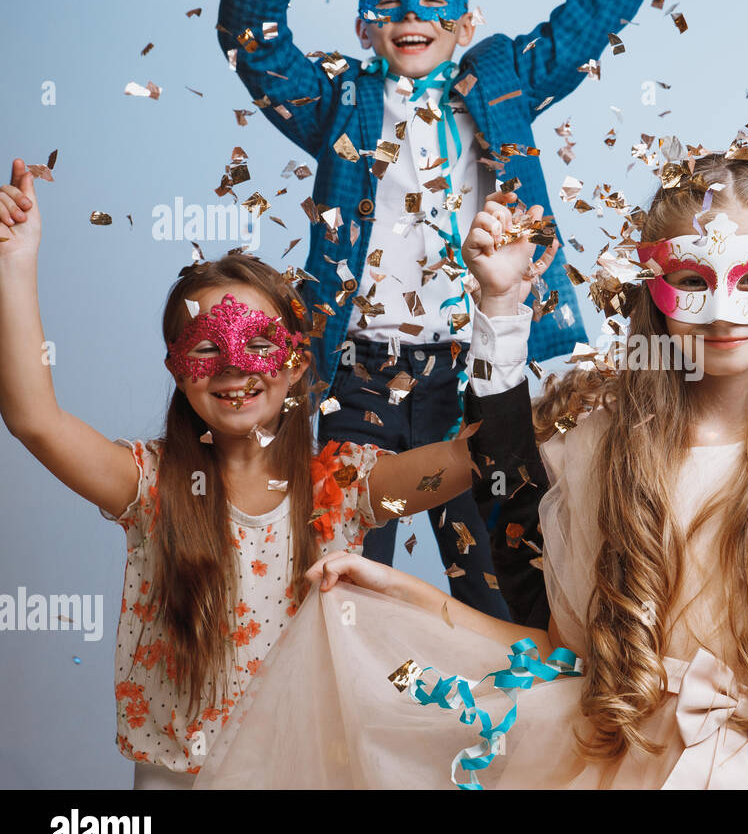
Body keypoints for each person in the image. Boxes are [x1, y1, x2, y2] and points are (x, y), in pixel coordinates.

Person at [195, 153, 748, 789]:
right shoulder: (599, 451)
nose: (723, 309)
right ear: (654, 290)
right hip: (634, 762)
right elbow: (561, 648)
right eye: (694, 281)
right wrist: (409, 596)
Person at [217, 0, 686, 614]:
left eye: (433, 1)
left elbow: (593, 15)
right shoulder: (338, 100)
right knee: (341, 589)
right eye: (392, 1)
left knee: (499, 587)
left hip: (475, 378)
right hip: (361, 383)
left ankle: (505, 724)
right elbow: (250, 39)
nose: (412, 15)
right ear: (361, 26)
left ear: (467, 22)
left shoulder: (506, 80)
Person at [0, 160, 476, 788]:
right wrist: (16, 261)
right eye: (204, 347)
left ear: (298, 364)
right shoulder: (149, 485)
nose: (233, 368)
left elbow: (477, 457)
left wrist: (500, 305)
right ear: (175, 366)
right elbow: (34, 419)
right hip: (179, 777)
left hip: (306, 769)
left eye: (258, 345)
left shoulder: (352, 486)